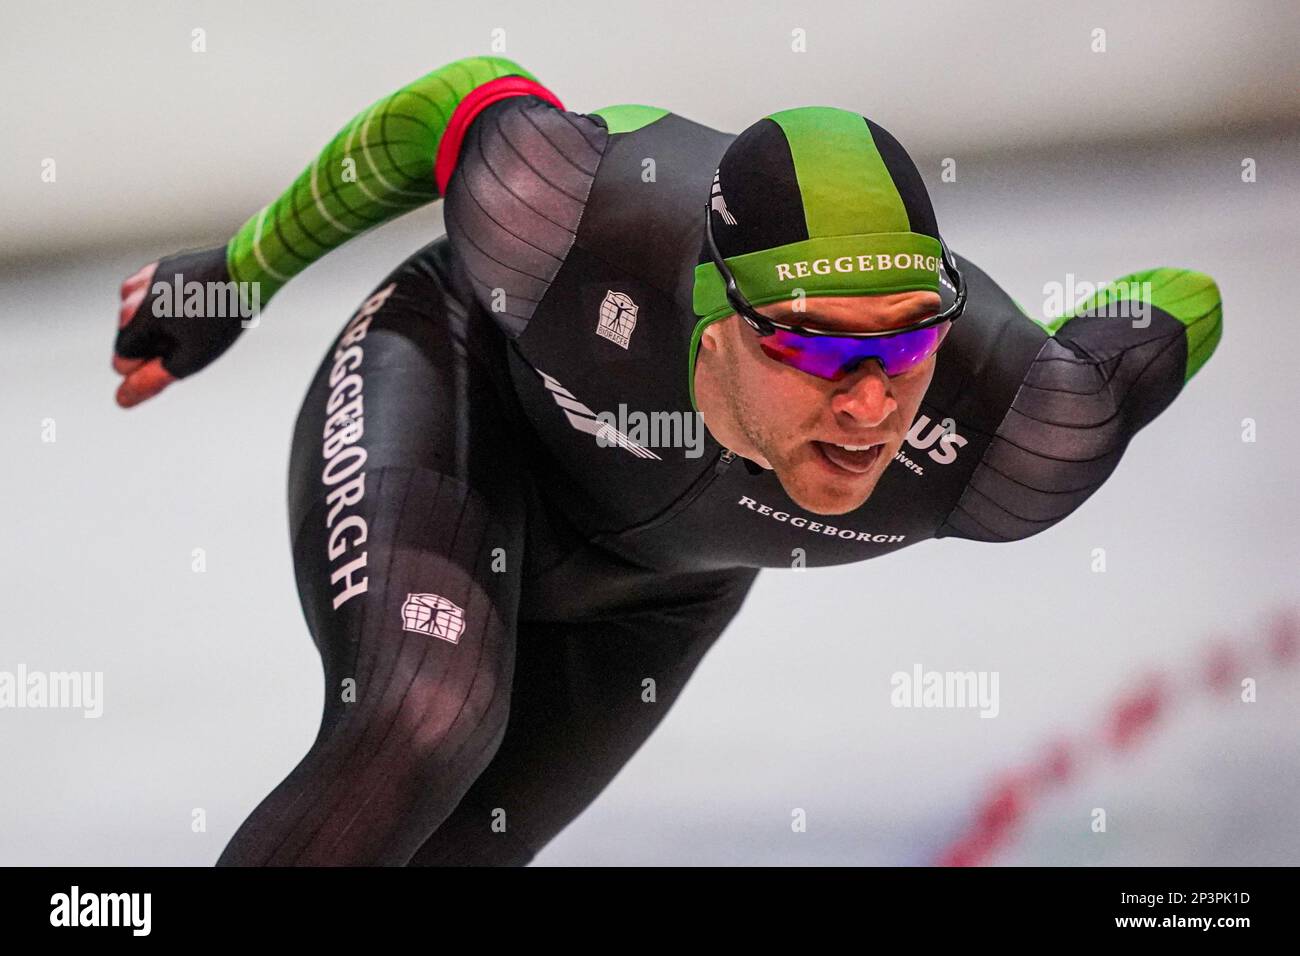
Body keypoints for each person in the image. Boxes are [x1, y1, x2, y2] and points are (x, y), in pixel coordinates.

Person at [113, 56, 1223, 865]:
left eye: (906, 338)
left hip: (655, 588)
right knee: (425, 716)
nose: (872, 400)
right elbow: (450, 105)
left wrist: (1029, 348)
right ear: (715, 310)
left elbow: (1188, 298)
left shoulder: (1012, 435)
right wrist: (238, 274)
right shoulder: (563, 216)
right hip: (462, 400)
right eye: (820, 344)